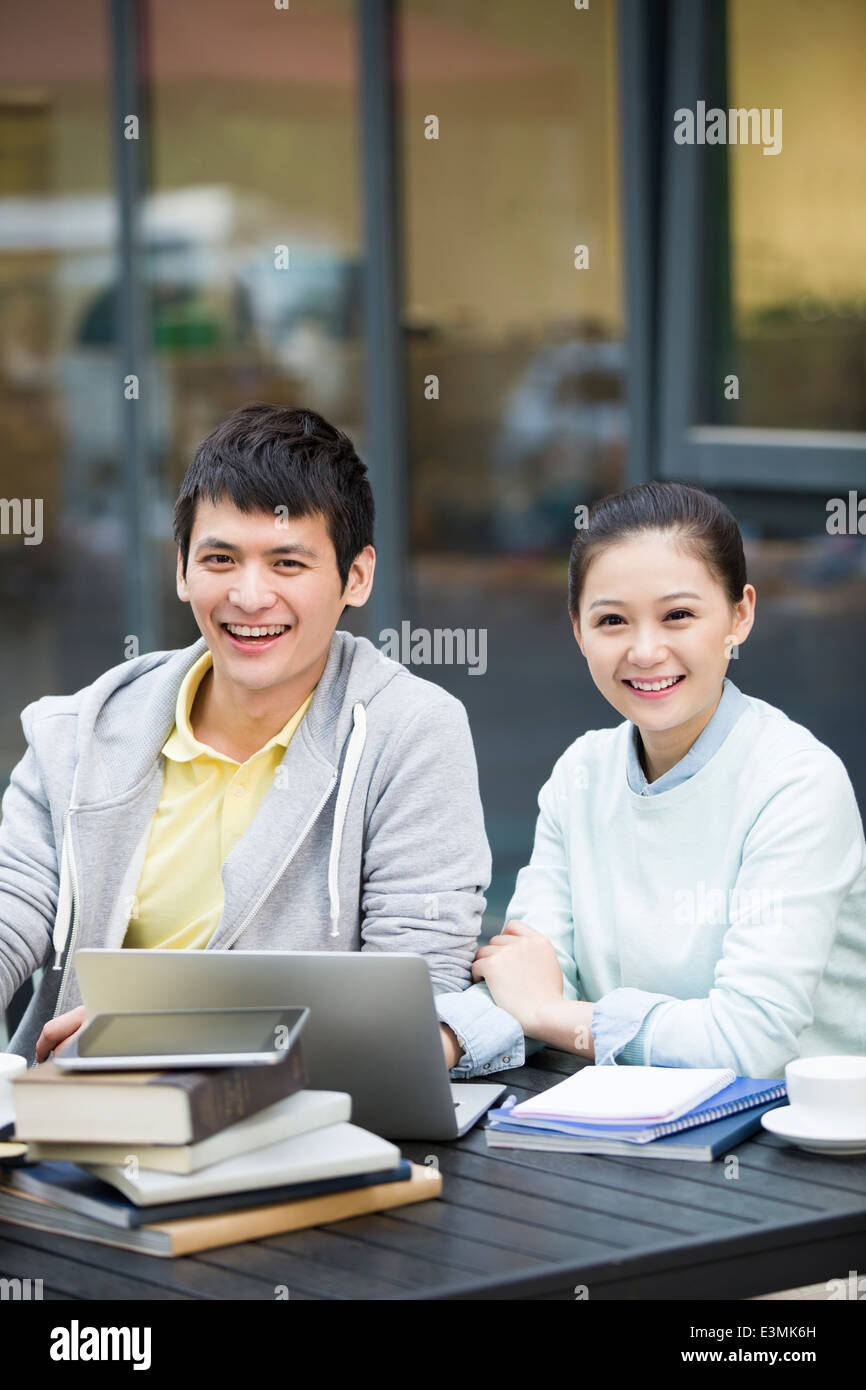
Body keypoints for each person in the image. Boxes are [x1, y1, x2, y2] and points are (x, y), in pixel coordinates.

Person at [0, 402, 510, 1072]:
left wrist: (165, 1033)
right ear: (181, 569)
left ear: (355, 577)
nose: (248, 595)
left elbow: (412, 996)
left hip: (303, 1124)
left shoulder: (411, 732)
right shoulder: (79, 733)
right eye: (220, 558)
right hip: (82, 1125)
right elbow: (10, 916)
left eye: (287, 564)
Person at [460, 481, 866, 1079]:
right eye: (612, 621)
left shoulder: (796, 783)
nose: (646, 651)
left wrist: (554, 1016)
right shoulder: (581, 774)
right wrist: (438, 1041)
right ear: (578, 631)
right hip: (617, 1125)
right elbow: (525, 970)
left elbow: (749, 1044)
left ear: (740, 614)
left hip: (785, 1151)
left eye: (678, 615)